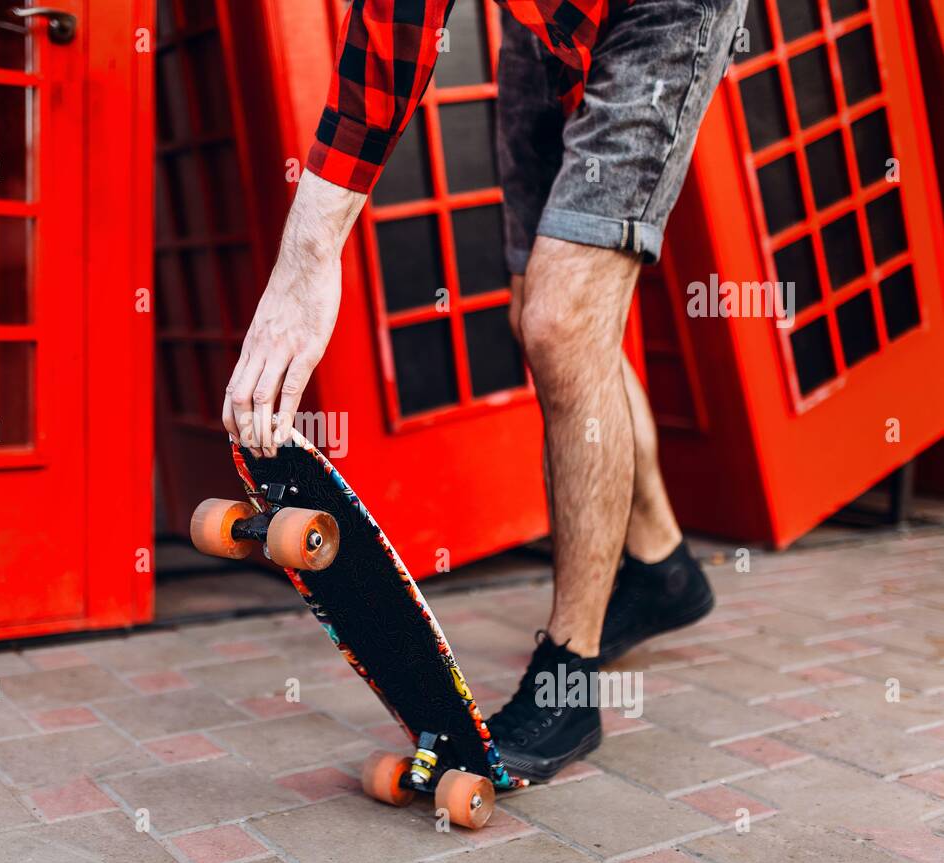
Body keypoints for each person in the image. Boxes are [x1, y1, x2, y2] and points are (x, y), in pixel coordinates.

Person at [221, 0, 743, 782]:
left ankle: (569, 678)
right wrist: (306, 258)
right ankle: (662, 563)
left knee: (563, 324)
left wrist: (308, 257)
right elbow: (392, 38)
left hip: (662, 13)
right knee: (538, 306)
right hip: (549, 25)